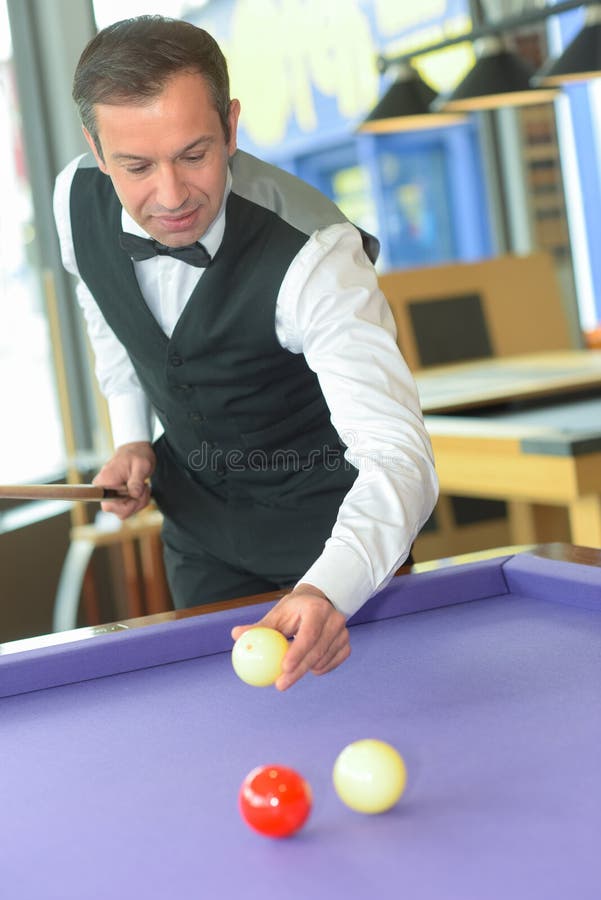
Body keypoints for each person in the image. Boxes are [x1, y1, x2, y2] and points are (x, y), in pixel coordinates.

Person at [53, 15, 438, 690]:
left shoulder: (317, 255)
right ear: (95, 146)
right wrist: (131, 436)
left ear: (230, 125)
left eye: (194, 154)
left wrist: (329, 591)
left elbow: (398, 456)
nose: (170, 196)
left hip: (335, 544)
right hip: (198, 533)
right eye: (136, 166)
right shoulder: (72, 200)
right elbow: (106, 313)